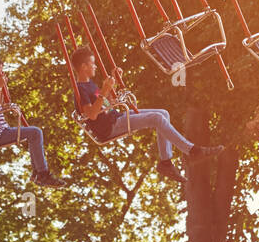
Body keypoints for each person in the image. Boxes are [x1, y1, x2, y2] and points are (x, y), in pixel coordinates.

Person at [71, 46, 222, 182]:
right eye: (92, 63)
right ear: (84, 67)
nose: (95, 66)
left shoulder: (90, 84)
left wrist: (113, 84)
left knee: (163, 113)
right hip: (109, 127)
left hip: (115, 116)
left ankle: (166, 163)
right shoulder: (80, 90)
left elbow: (106, 104)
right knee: (156, 118)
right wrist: (104, 90)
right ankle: (192, 150)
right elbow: (92, 115)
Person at [0, 56, 68, 188]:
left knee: (33, 135)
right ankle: (42, 173)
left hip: (0, 132)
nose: (1, 75)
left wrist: (1, 91)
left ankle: (37, 172)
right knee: (35, 133)